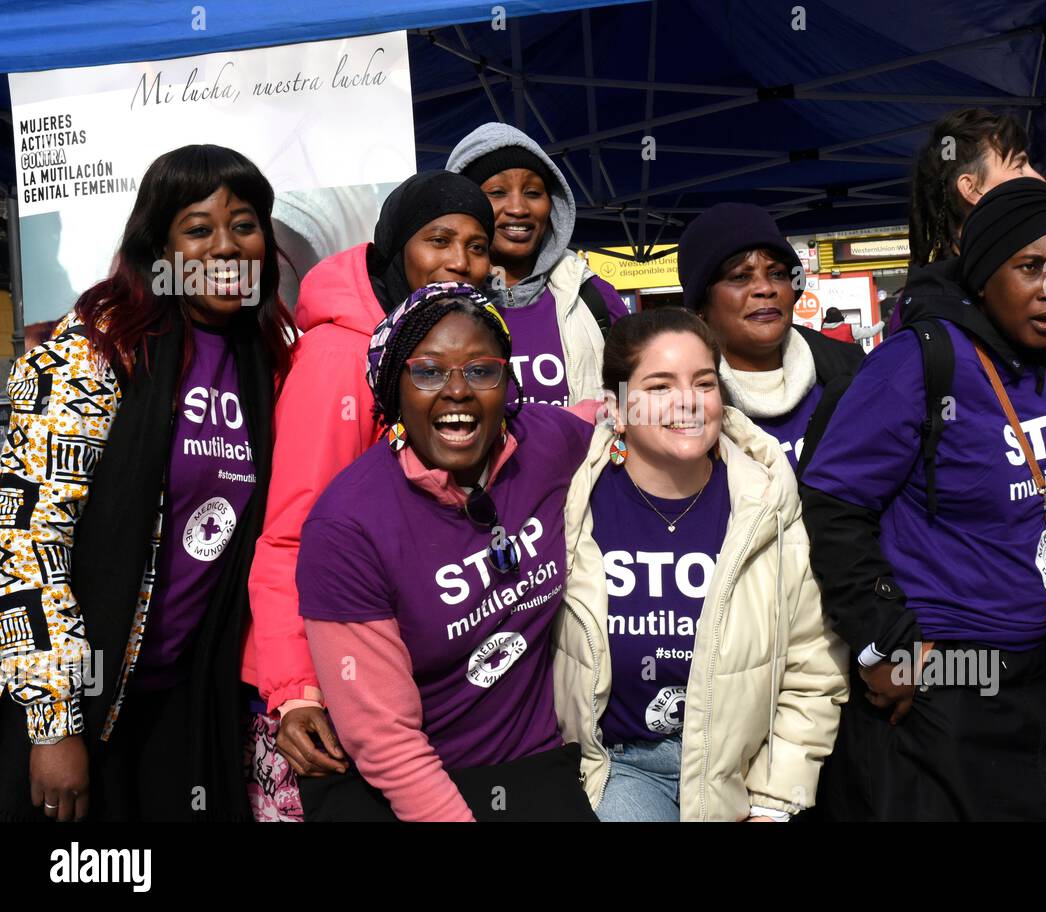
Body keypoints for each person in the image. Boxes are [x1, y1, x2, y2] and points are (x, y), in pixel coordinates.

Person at [0, 144, 293, 822]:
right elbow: (24, 542)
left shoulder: (268, 362)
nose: (226, 246)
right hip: (79, 708)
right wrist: (54, 725)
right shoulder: (94, 349)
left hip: (187, 707)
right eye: (198, 228)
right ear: (158, 246)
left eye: (244, 224)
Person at [800, 178, 1046, 821]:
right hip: (947, 692)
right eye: (1030, 268)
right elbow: (830, 500)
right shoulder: (921, 360)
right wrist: (885, 642)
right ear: (985, 274)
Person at [295, 283, 597, 821]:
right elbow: (386, 740)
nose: (457, 390)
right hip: (401, 785)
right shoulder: (346, 525)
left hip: (530, 765)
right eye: (428, 372)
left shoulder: (544, 445)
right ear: (393, 390)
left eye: (481, 371)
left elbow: (617, 419)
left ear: (508, 385)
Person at [246, 172, 496, 810]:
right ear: (393, 247)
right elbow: (288, 533)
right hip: (320, 691)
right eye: (439, 240)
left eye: (476, 245)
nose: (460, 263)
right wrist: (296, 686)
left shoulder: (448, 343)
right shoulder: (339, 357)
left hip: (394, 677)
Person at [553, 307, 848, 821]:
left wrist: (775, 803)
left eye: (704, 383)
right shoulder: (571, 502)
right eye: (660, 386)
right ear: (618, 408)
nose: (688, 402)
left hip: (742, 771)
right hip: (623, 767)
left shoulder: (768, 504)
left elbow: (813, 670)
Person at [447, 123, 628, 406]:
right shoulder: (433, 305)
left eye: (533, 193)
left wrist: (619, 440)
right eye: (497, 192)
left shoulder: (593, 296)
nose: (519, 208)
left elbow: (634, 388)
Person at [677, 203, 862, 474]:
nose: (765, 288)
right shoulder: (671, 404)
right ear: (700, 307)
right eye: (740, 276)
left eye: (777, 274)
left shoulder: (858, 374)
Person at [890, 108, 1044, 334]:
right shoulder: (925, 318)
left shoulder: (1013, 289)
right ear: (971, 189)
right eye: (1019, 166)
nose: (1040, 179)